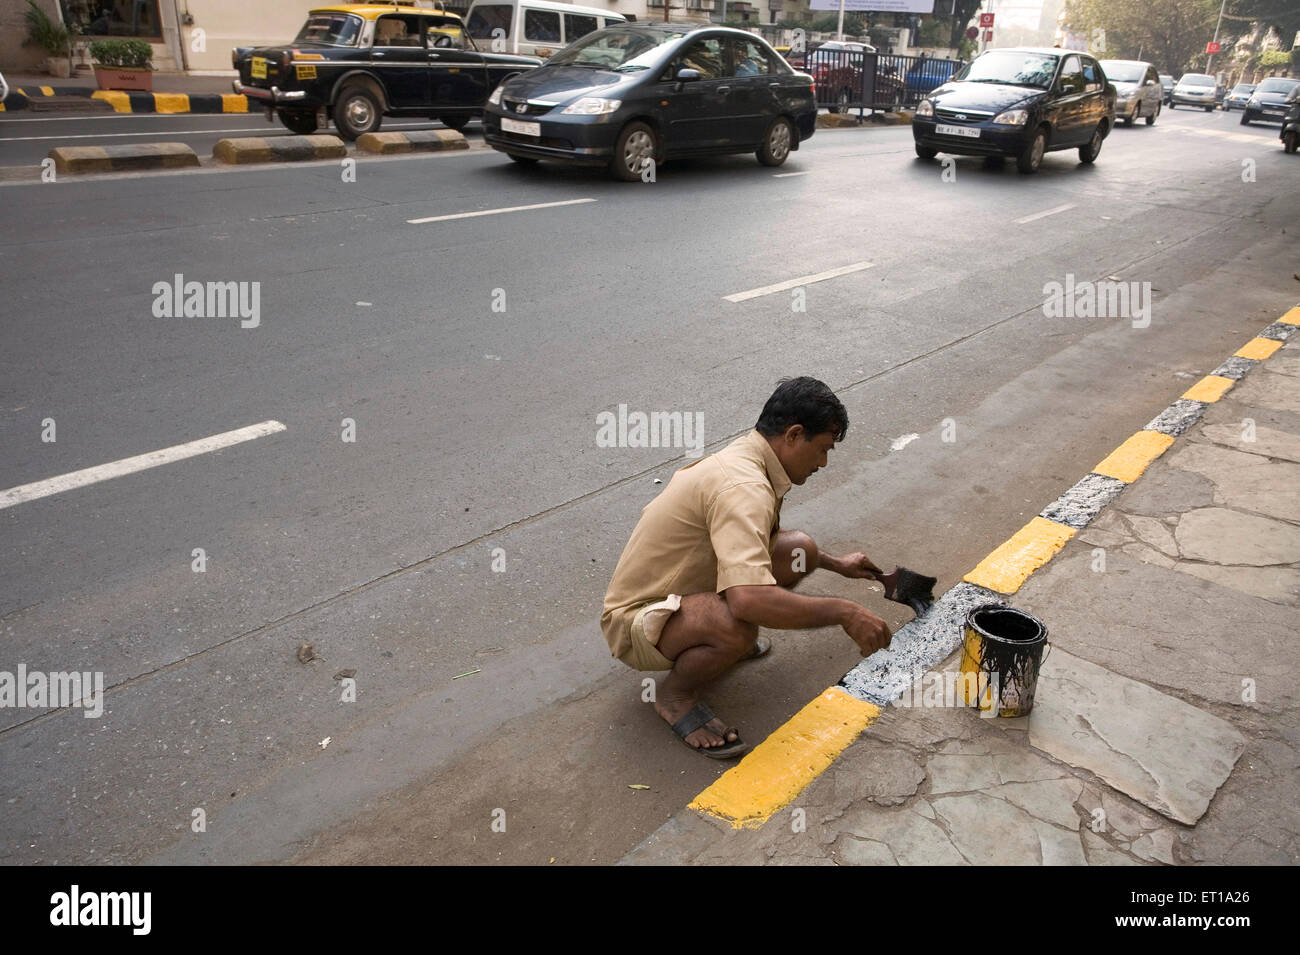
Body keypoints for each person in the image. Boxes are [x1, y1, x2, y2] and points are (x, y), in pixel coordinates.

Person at [600, 377, 893, 759]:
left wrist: (838, 564)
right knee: (737, 622)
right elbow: (748, 601)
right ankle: (675, 696)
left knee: (799, 548)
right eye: (822, 449)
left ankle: (714, 644)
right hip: (635, 621)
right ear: (793, 434)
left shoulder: (751, 456)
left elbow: (761, 542)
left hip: (683, 590)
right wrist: (845, 611)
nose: (823, 463)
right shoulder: (744, 486)